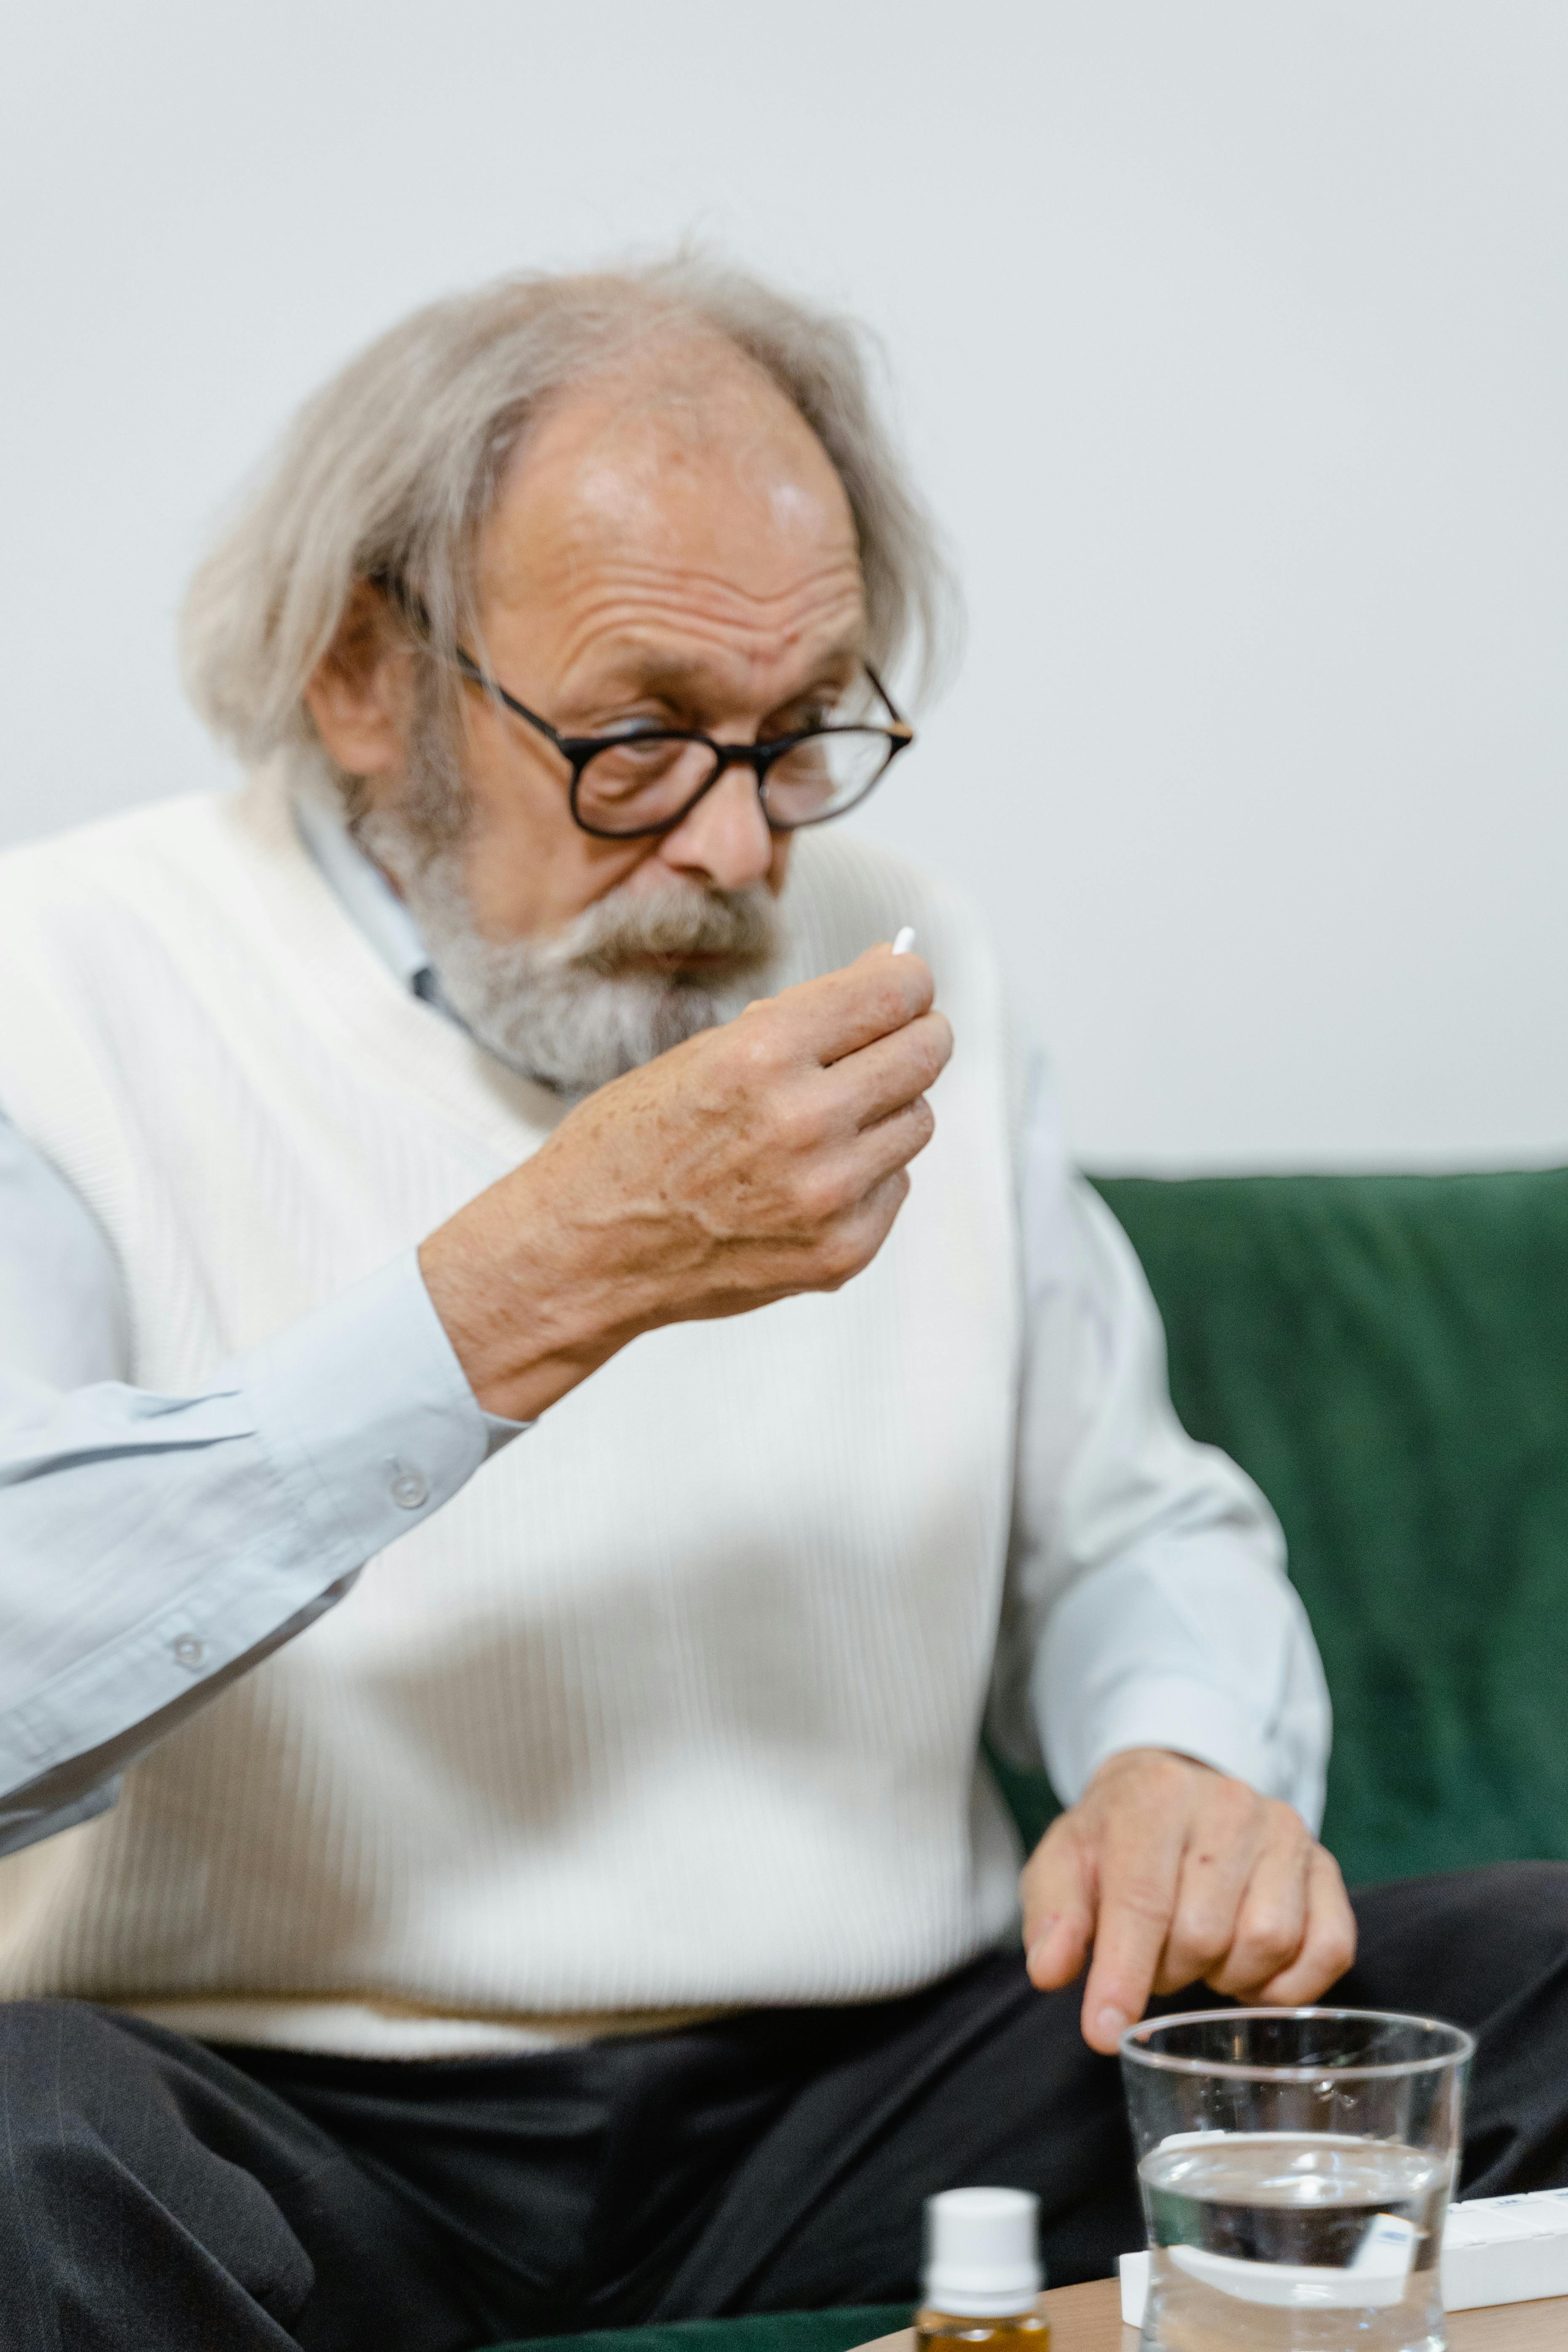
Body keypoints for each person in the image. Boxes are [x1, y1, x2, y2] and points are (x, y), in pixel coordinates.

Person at [0, 256, 1564, 2352]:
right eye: (639, 737)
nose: (739, 847)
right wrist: (527, 1291)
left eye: (804, 727)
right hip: (273, 2108)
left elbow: (1126, 1522)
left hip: (856, 2094)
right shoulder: (62, 981)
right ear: (370, 671)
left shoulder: (905, 953)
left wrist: (1177, 1753)